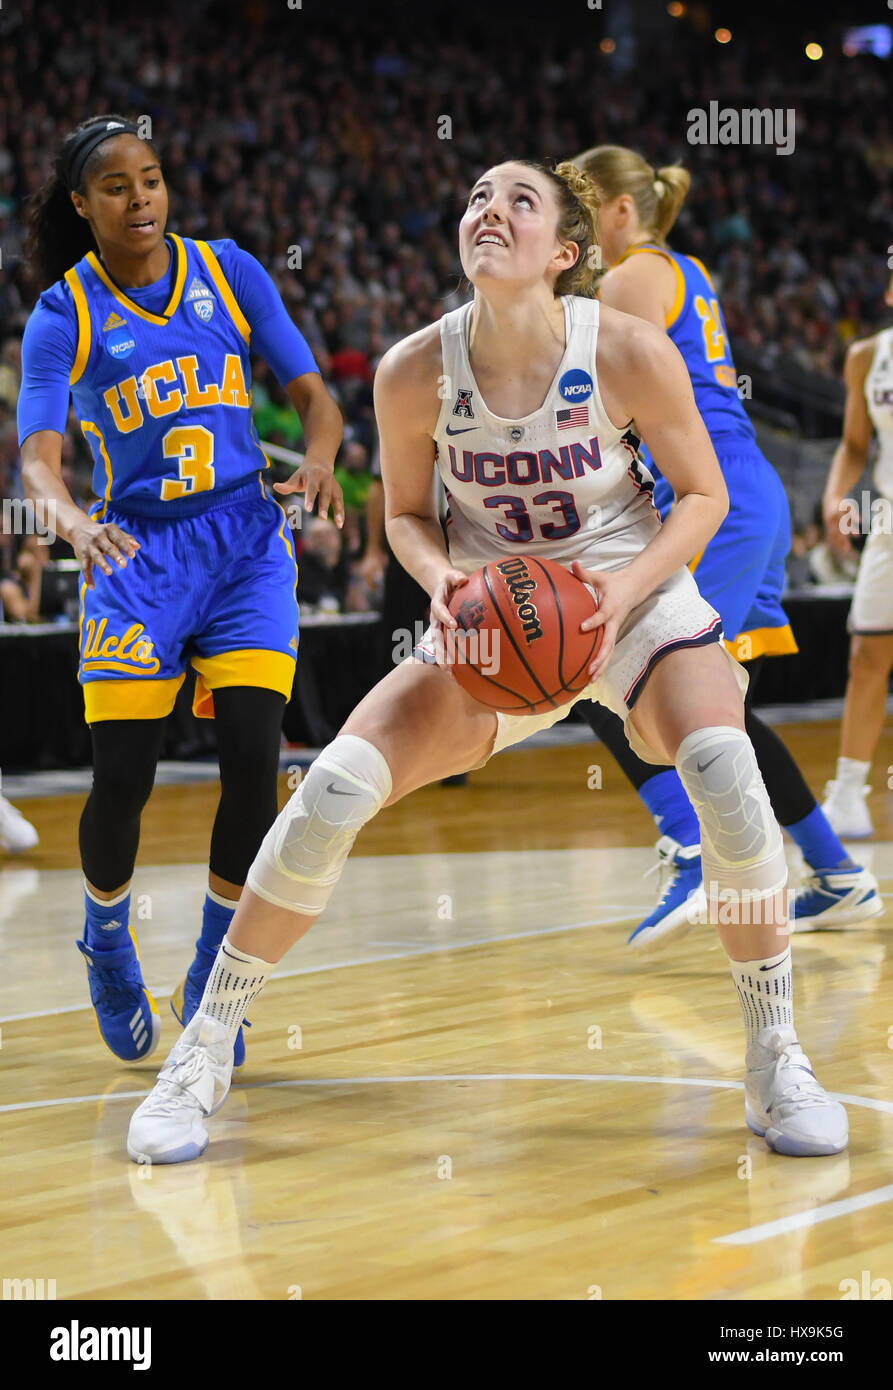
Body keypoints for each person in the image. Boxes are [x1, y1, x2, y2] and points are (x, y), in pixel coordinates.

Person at [129, 159, 847, 1165]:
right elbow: (409, 517)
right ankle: (202, 1048)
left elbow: (700, 497)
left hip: (620, 593)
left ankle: (773, 1053)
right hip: (489, 611)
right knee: (330, 788)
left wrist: (621, 589)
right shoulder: (411, 370)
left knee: (725, 771)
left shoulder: (627, 348)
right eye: (475, 197)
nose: (488, 210)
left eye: (518, 200)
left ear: (563, 252)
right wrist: (446, 589)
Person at [19, 115, 344, 1067]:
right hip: (136, 552)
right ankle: (108, 939)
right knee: (124, 777)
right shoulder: (63, 312)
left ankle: (211, 970)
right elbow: (39, 454)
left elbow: (314, 396)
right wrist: (73, 522)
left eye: (153, 179)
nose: (142, 199)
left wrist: (320, 460)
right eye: (117, 187)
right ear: (82, 206)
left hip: (245, 538)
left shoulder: (231, 271)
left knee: (254, 757)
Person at [568, 145, 880, 947]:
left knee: (600, 665)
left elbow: (584, 394)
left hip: (711, 493)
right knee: (713, 705)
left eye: (583, 207)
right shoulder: (680, 270)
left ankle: (689, 843)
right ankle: (835, 872)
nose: (574, 224)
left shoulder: (634, 272)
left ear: (623, 210)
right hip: (727, 486)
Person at [821, 273, 893, 838]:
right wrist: (835, 496)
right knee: (867, 655)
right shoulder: (867, 357)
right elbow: (854, 446)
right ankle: (848, 796)